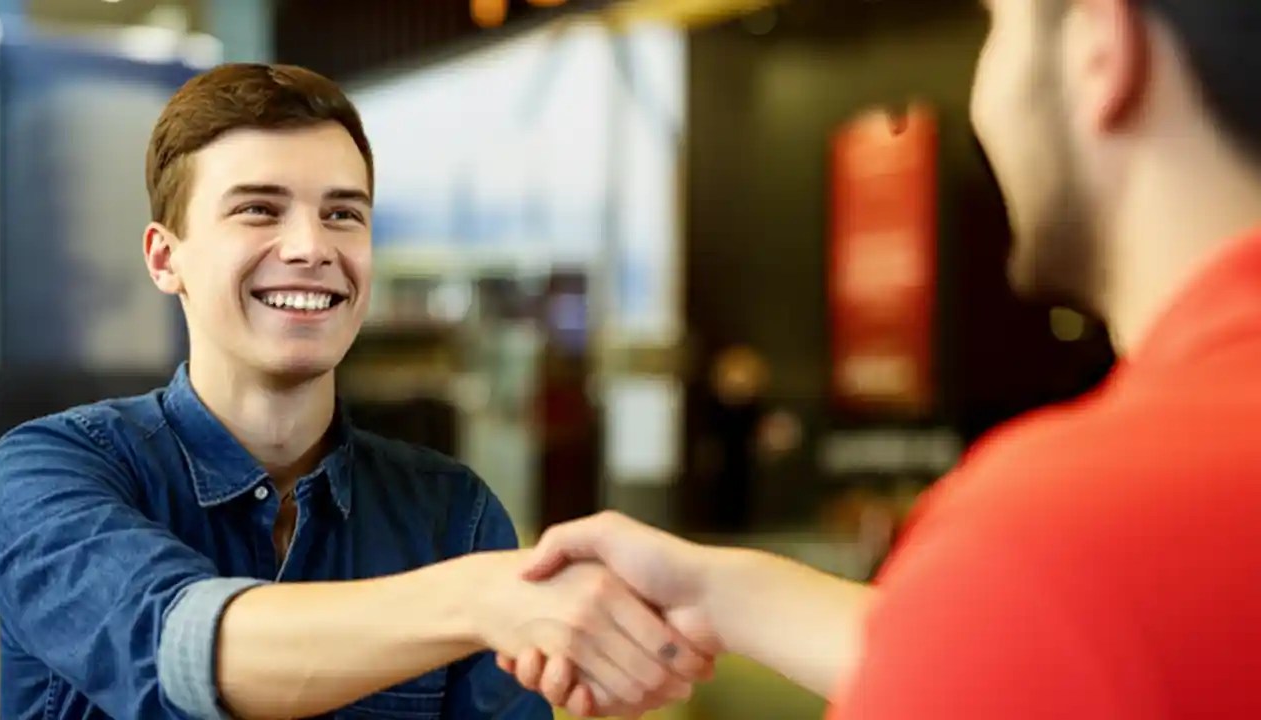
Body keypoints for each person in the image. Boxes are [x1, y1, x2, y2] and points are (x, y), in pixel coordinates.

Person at [501, 0, 1261, 717]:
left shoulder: (1066, 537)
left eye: (997, 23)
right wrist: (727, 594)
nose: (984, 101)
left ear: (1101, 49)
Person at [0, 63, 710, 720]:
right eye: (258, 209)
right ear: (165, 258)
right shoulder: (50, 473)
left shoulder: (453, 517)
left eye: (342, 213)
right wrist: (482, 600)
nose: (311, 246)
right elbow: (178, 650)